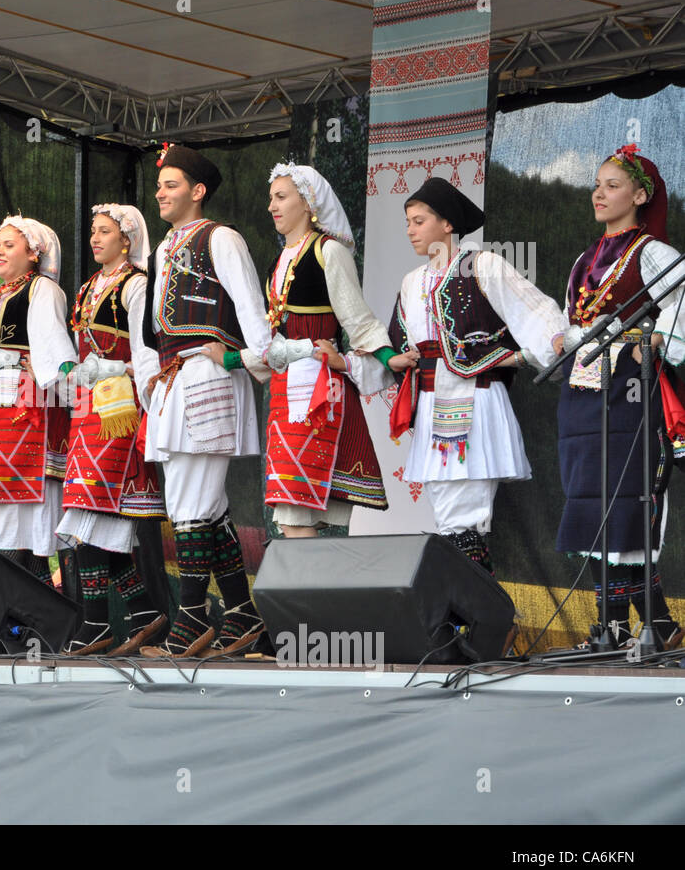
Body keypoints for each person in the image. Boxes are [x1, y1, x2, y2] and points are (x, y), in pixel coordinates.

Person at [386, 177, 568, 573]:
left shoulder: (481, 264)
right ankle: (475, 620)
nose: (411, 230)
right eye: (408, 223)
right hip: (433, 406)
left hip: (476, 401)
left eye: (419, 221)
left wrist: (540, 347)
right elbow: (396, 339)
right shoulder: (411, 282)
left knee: (466, 515)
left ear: (447, 224)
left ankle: (475, 622)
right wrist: (394, 358)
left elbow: (533, 310)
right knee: (449, 517)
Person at [205, 164, 393, 537]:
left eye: (281, 196)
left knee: (296, 518)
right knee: (293, 516)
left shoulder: (328, 252)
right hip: (284, 395)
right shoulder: (279, 262)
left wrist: (388, 358)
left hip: (317, 394)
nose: (271, 206)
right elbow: (274, 346)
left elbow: (360, 323)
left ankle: (304, 595)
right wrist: (230, 358)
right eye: (271, 198)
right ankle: (314, 594)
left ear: (308, 203)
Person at [138, 144, 273, 658]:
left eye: (171, 185)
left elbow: (249, 306)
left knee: (192, 503)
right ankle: (242, 614)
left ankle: (193, 617)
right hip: (176, 378)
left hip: (209, 375)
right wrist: (152, 376)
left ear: (197, 191)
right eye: (159, 186)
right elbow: (155, 329)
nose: (161, 193)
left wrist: (249, 359)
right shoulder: (164, 248)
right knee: (203, 506)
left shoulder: (223, 238)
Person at [556, 144, 685, 647]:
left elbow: (680, 303)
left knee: (627, 503)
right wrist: (562, 339)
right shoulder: (583, 259)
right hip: (584, 393)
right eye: (597, 184)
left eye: (613, 185)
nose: (599, 193)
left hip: (632, 394)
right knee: (590, 504)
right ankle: (623, 627)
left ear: (640, 194)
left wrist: (657, 337)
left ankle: (647, 625)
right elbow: (574, 322)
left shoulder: (652, 253)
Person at [58, 203, 168, 655]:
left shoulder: (136, 284)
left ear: (127, 239)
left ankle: (99, 621)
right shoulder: (87, 288)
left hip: (119, 408)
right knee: (89, 515)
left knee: (92, 513)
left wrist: (112, 367)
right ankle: (142, 612)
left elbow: (147, 353)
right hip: (86, 408)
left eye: (105, 232)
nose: (96, 239)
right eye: (94, 232)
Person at [0, 215, 77, 583]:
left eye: (9, 245)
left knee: (22, 523)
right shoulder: (0, 296)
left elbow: (55, 352)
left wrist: (75, 395)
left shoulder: (42, 290)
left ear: (33, 253)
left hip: (27, 418)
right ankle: (21, 622)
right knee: (7, 521)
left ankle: (29, 619)